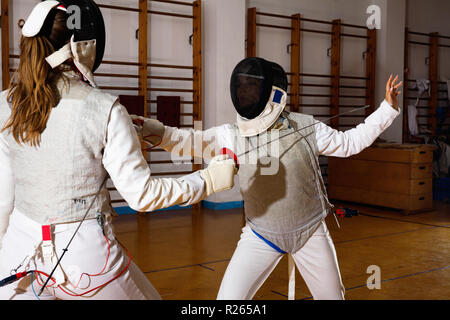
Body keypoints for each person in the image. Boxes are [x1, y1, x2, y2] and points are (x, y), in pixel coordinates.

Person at [0, 0, 236, 300]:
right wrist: (208, 180)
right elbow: (142, 196)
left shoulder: (7, 103)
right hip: (85, 261)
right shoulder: (103, 108)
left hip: (19, 256)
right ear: (83, 47)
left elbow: (4, 198)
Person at [132, 57, 403, 300]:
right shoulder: (231, 134)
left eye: (252, 86)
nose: (245, 92)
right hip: (261, 234)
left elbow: (349, 143)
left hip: (309, 231)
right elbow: (190, 141)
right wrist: (151, 130)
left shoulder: (307, 126)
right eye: (242, 87)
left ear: (272, 93)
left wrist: (386, 110)